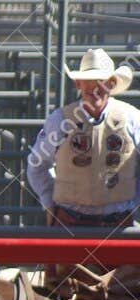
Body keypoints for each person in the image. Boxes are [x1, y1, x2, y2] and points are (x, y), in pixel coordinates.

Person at [27, 48, 140, 229]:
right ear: (78, 84)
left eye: (100, 80)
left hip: (119, 223)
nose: (94, 86)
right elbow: (36, 165)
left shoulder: (132, 119)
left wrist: (134, 205)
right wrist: (49, 204)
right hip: (70, 221)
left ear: (111, 83)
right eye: (88, 81)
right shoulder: (60, 120)